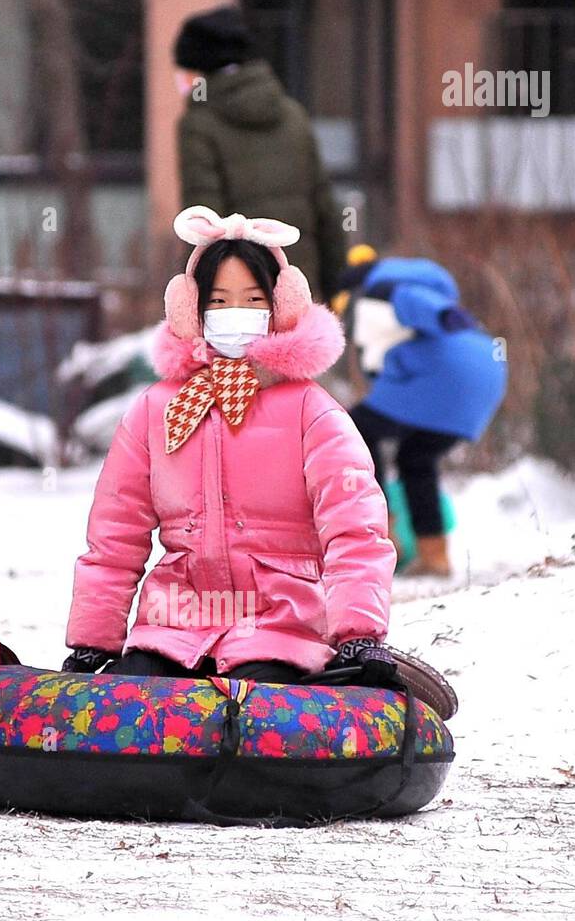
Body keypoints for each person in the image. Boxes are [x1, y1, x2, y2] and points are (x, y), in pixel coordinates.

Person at [61, 206, 397, 686]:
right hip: (173, 628)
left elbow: (354, 529)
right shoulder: (156, 410)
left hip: (282, 629)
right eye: (218, 301)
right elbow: (115, 532)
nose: (233, 314)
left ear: (279, 308)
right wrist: (95, 640)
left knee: (252, 709)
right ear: (191, 309)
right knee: (137, 698)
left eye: (252, 299)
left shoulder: (311, 411)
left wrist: (358, 633)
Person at [342, 252, 508, 577]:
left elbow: (412, 301)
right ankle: (434, 555)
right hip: (482, 382)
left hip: (443, 378)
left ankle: (379, 532)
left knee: (354, 428)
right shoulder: (429, 298)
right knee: (416, 459)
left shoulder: (387, 287)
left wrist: (444, 315)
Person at [172, 6, 344, 302]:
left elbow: (203, 223)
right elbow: (326, 210)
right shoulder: (293, 115)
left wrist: (195, 297)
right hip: (299, 287)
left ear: (198, 70)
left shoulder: (198, 125)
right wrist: (337, 288)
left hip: (237, 296)